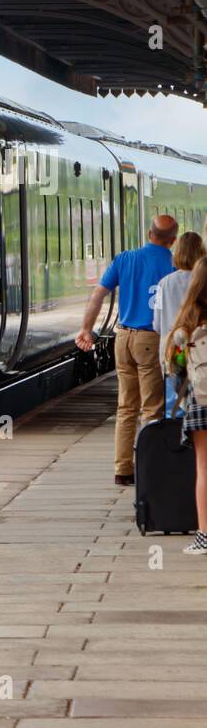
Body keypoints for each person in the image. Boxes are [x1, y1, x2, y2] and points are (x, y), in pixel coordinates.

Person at [75, 214, 178, 485]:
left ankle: (123, 469)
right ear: (173, 240)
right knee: (153, 408)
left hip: (122, 338)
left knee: (126, 407)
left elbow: (98, 294)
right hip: (150, 339)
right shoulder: (173, 264)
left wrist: (87, 328)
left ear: (148, 232)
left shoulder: (124, 259)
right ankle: (151, 469)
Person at [166, 258, 207, 554]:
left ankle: (205, 536)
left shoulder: (186, 327)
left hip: (202, 403)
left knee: (204, 470)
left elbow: (176, 370)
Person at [155, 231, 206, 417]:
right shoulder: (203, 280)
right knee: (199, 406)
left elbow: (157, 325)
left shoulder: (163, 284)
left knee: (172, 408)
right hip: (200, 354)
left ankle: (174, 443)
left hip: (172, 353)